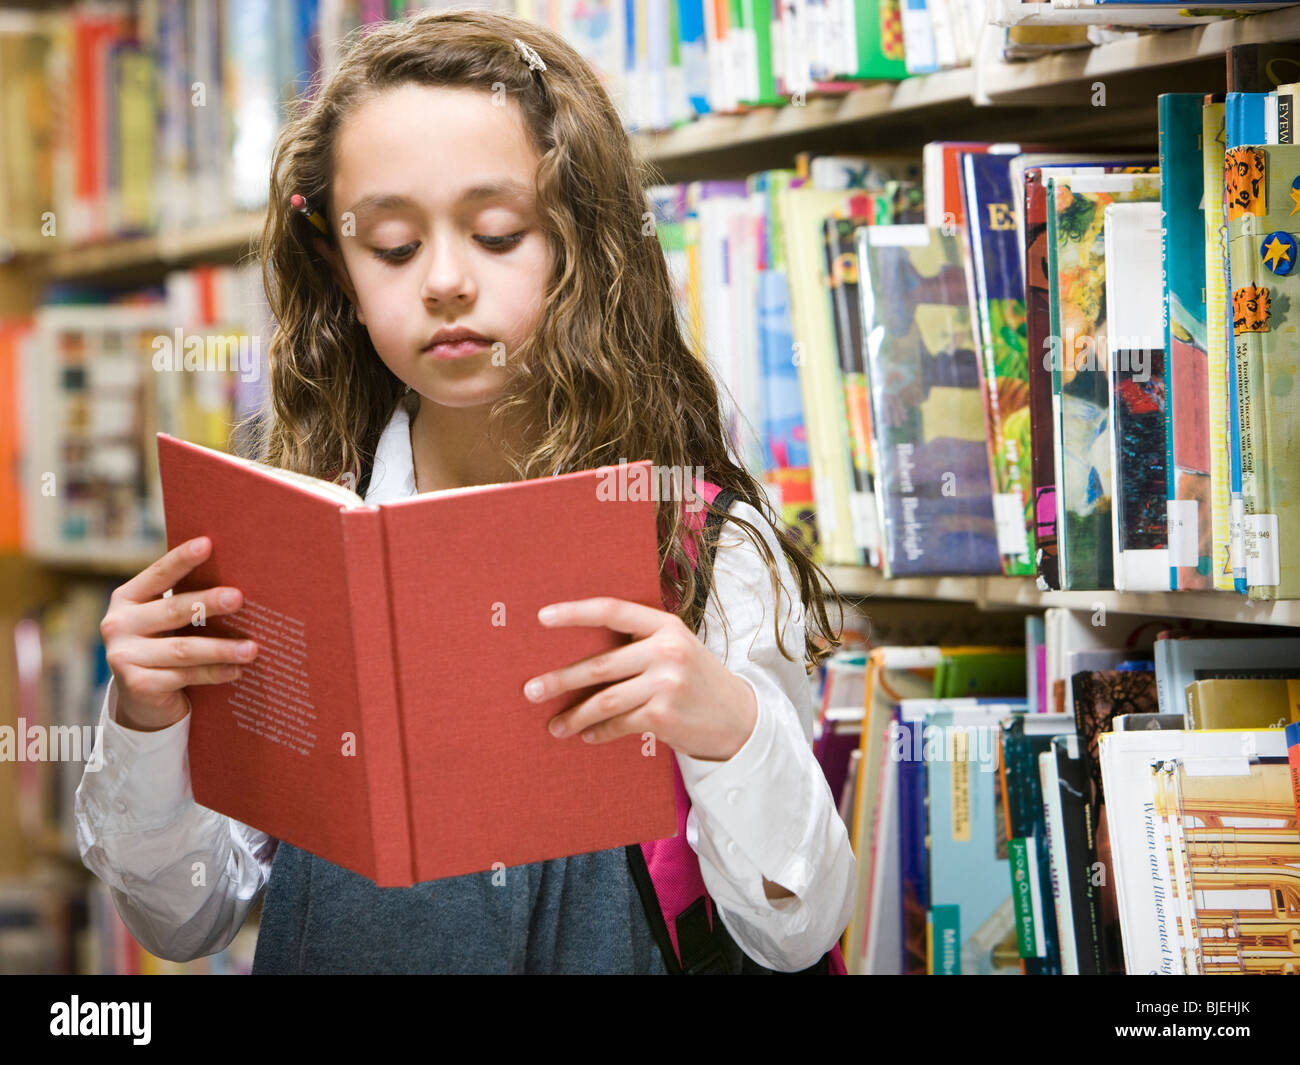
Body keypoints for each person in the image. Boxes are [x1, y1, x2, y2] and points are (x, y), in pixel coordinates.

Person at [76, 9, 855, 974]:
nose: (444, 281)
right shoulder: (291, 546)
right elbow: (182, 921)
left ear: (582, 241)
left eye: (496, 234)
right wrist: (147, 724)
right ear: (338, 266)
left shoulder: (703, 546)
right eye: (394, 247)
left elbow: (799, 929)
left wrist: (726, 725)